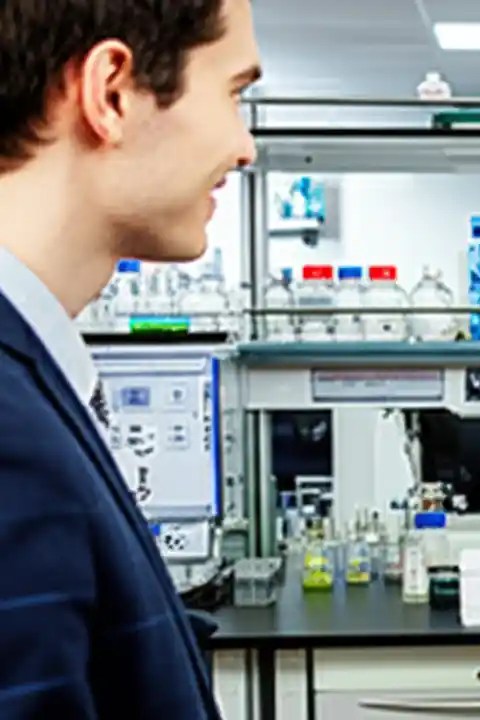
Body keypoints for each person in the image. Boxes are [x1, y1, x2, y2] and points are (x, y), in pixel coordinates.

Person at [0, 1, 260, 716]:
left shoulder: (33, 381)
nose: (246, 146)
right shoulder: (10, 439)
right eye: (235, 93)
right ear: (111, 93)